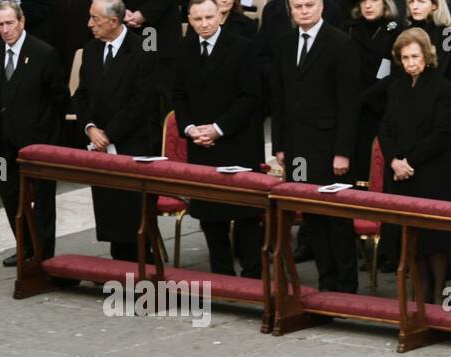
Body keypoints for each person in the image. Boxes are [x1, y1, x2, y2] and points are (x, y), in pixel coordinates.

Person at [172, 0, 265, 279]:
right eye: (197, 18)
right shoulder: (185, 49)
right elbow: (178, 94)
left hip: (236, 142)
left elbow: (250, 96)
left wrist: (217, 128)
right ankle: (221, 275)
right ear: (189, 19)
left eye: (209, 17)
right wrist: (190, 129)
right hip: (200, 145)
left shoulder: (243, 47)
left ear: (220, 16)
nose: (204, 23)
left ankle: (253, 276)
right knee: (210, 215)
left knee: (246, 213)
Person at [271, 0, 359, 292]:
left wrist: (343, 151)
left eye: (309, 4)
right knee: (310, 214)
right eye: (298, 6)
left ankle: (346, 283)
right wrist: (280, 145)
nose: (304, 10)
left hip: (330, 147)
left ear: (321, 6)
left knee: (337, 218)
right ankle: (327, 279)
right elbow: (280, 96)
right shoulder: (284, 43)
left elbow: (349, 103)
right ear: (290, 10)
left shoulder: (340, 42)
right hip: (297, 148)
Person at [72, 0, 160, 262]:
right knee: (108, 211)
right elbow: (82, 95)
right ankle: (118, 268)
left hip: (132, 143)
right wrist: (90, 128)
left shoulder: (143, 49)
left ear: (114, 21)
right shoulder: (90, 50)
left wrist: (108, 133)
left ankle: (142, 269)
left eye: (95, 19)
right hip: (98, 143)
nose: (89, 24)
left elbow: (140, 102)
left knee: (133, 215)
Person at [379, 27, 451, 302]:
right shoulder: (397, 86)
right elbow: (385, 128)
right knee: (409, 239)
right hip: (401, 176)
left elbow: (442, 133)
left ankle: (437, 296)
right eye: (405, 58)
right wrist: (394, 161)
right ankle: (418, 296)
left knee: (433, 240)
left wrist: (408, 162)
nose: (410, 63)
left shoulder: (442, 87)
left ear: (426, 55)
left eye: (415, 56)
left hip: (430, 174)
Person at [0, 1, 65, 265]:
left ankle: (44, 253)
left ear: (22, 21)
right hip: (3, 141)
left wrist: (50, 136)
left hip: (38, 141)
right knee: (8, 193)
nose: (5, 29)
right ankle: (26, 246)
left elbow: (60, 99)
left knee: (43, 200)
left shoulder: (44, 53)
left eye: (10, 23)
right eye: (0, 24)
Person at [348, 0, 401, 184]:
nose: (368, 6)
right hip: (354, 104)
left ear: (385, 4)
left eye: (374, 0)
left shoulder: (396, 29)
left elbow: (396, 72)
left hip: (381, 104)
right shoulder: (351, 28)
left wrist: (368, 95)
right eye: (363, 1)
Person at [404, 0, 451, 74]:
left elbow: (446, 67)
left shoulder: (449, 33)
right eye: (411, 2)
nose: (414, 7)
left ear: (434, 5)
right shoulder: (405, 31)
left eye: (421, 2)